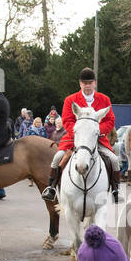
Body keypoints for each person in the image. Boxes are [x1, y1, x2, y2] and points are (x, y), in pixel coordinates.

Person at [42, 68, 120, 204]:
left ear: (95, 83)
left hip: (98, 138)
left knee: (113, 159)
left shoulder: (104, 99)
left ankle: (115, 189)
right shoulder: (70, 100)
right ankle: (51, 187)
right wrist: (81, 134)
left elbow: (110, 120)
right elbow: (67, 120)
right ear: (80, 84)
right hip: (76, 139)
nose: (87, 86)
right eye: (85, 83)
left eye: (90, 83)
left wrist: (96, 131)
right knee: (57, 158)